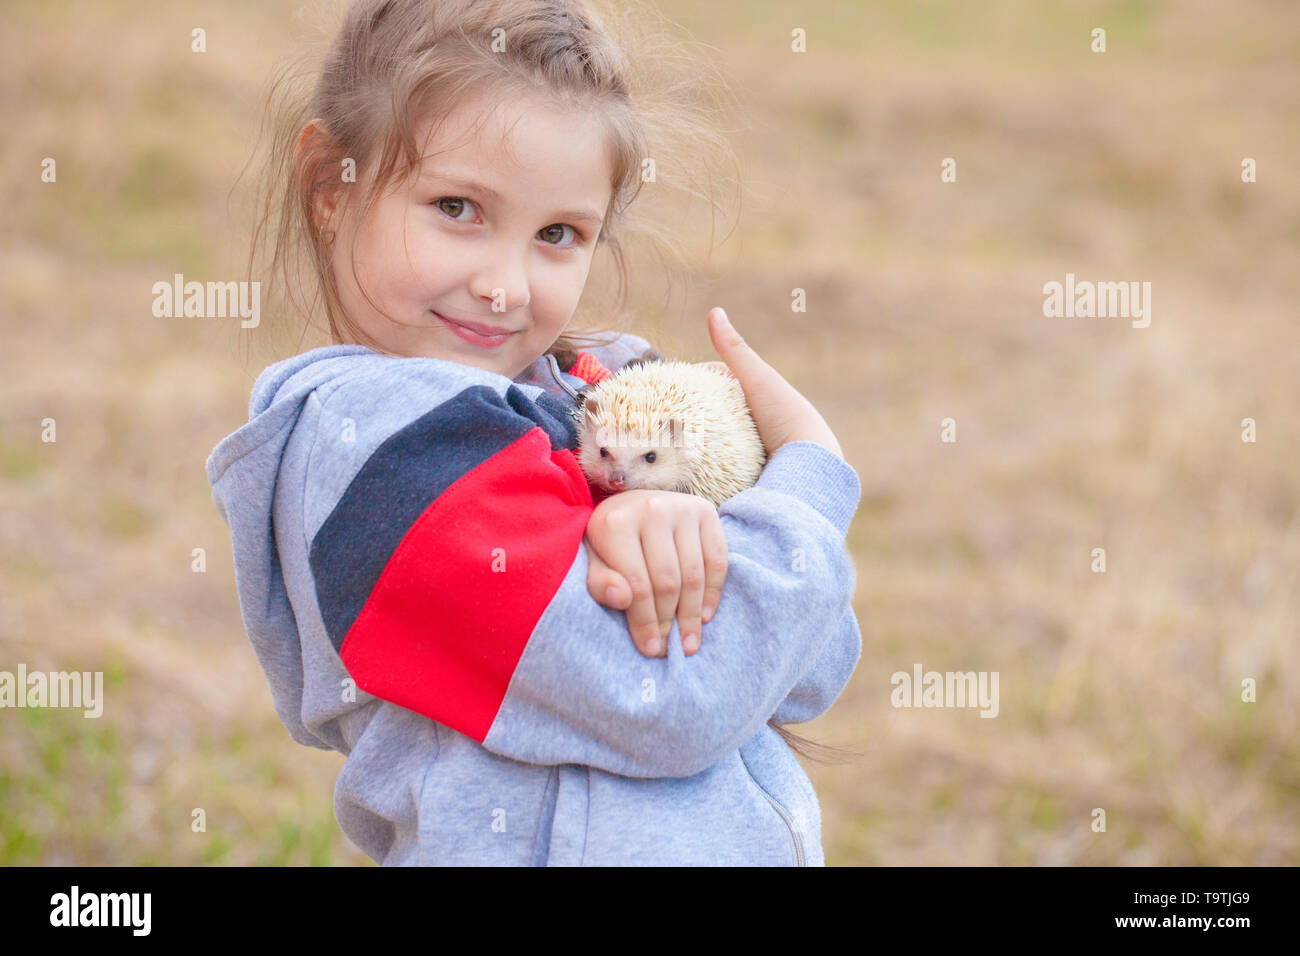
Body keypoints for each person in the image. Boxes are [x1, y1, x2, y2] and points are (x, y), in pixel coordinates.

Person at [207, 0, 862, 865]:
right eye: (456, 207)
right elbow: (681, 696)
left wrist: (667, 520)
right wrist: (810, 468)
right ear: (334, 188)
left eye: (558, 233)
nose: (505, 286)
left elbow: (807, 669)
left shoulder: (602, 401)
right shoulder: (383, 454)